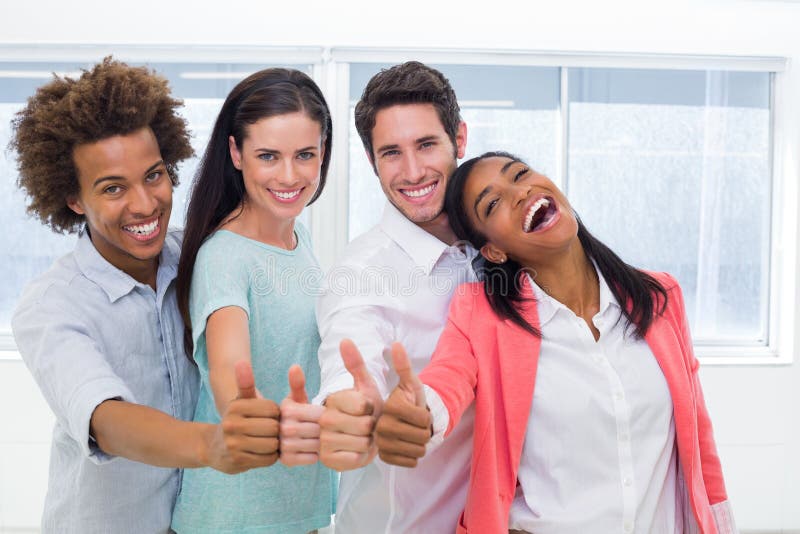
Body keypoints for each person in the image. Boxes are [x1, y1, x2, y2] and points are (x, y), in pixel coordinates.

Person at [375, 151, 739, 534]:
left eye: (519, 174)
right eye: (494, 203)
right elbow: (447, 380)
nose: (519, 192)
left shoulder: (660, 297)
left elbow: (700, 439)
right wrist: (419, 413)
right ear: (494, 251)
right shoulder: (479, 314)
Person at [10, 58, 281, 534]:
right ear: (74, 199)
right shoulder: (51, 305)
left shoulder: (200, 257)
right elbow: (106, 417)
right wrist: (211, 445)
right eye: (113, 188)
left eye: (153, 175)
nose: (144, 203)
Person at [171, 67, 336, 534]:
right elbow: (228, 370)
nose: (290, 175)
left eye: (305, 154)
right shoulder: (225, 256)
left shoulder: (298, 239)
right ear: (236, 153)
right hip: (234, 515)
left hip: (292, 506)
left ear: (323, 152)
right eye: (268, 155)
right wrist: (241, 408)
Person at [314, 61, 477, 533]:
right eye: (391, 153)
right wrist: (347, 411)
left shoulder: (496, 250)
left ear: (459, 139)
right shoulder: (360, 275)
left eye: (426, 144)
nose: (412, 171)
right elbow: (347, 365)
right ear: (372, 161)